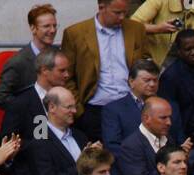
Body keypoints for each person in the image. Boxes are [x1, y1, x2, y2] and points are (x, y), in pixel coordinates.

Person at [60, 0, 150, 141]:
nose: (122, 17)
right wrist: (78, 110)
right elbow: (65, 76)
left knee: (132, 154)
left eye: (125, 13)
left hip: (131, 105)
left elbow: (146, 64)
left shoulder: (136, 29)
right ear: (101, 7)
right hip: (94, 109)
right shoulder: (75, 33)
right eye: (117, 13)